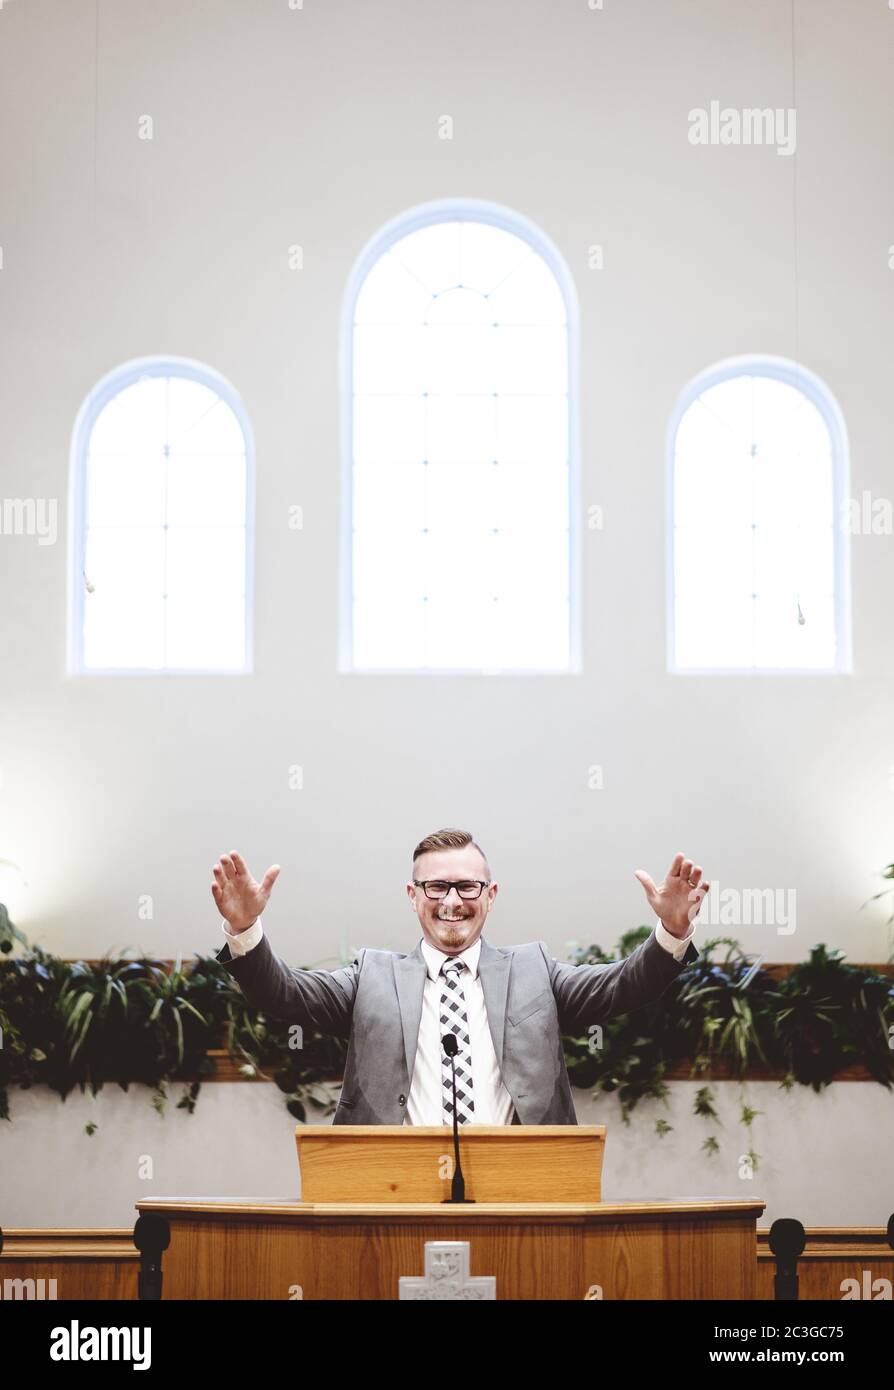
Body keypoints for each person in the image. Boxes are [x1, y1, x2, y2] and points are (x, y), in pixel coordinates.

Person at [211, 827, 707, 1126]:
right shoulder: (372, 976)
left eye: (467, 886)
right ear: (412, 894)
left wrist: (670, 930)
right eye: (436, 886)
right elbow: (284, 995)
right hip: (391, 1186)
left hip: (521, 1186)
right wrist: (245, 928)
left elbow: (624, 985)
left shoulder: (535, 971)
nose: (451, 901)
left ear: (491, 894)